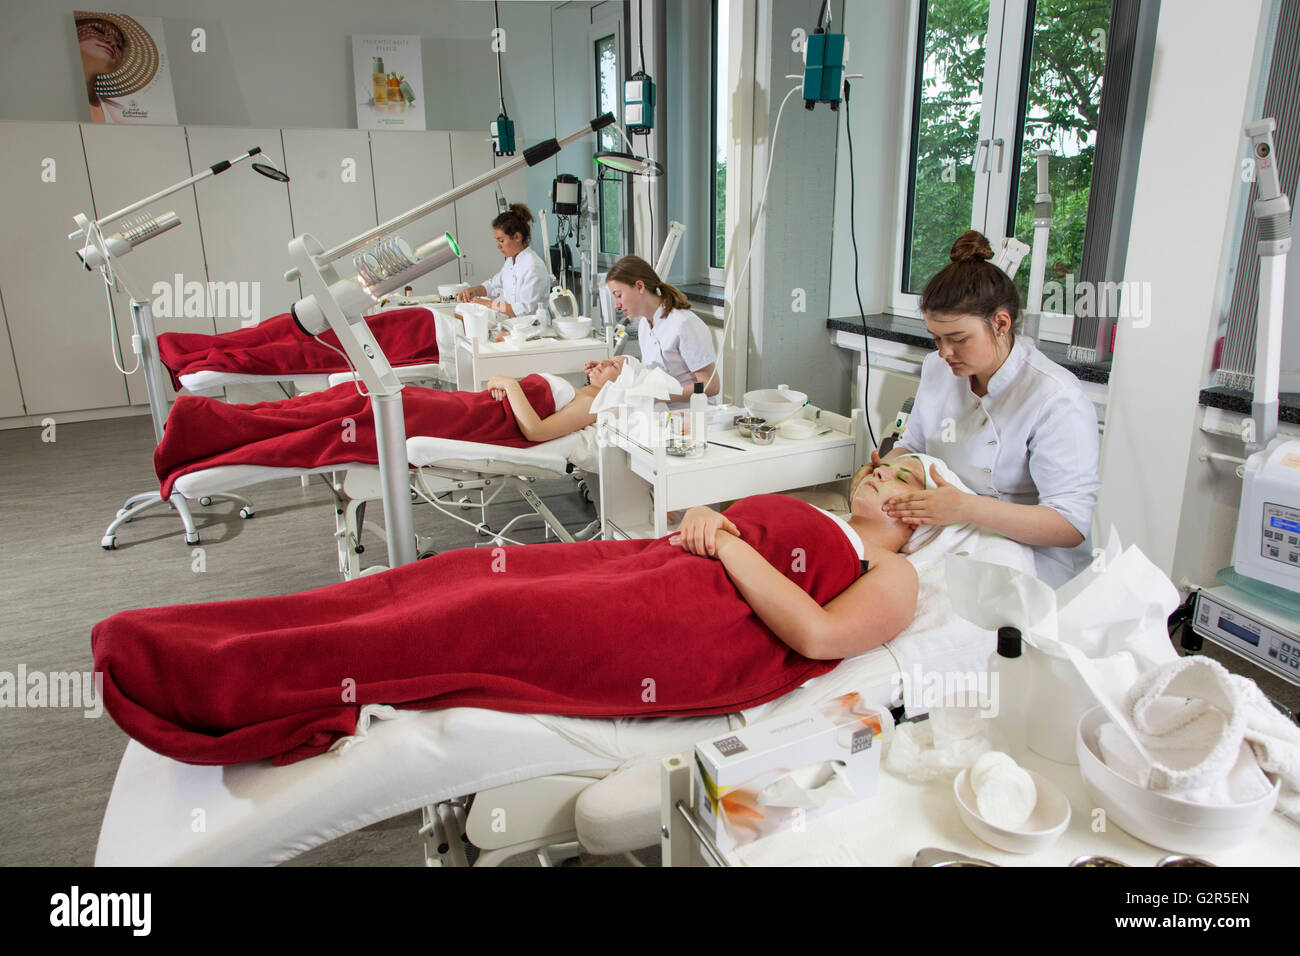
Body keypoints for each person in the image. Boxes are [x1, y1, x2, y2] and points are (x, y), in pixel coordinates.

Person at [92, 455, 929, 765]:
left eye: (905, 479)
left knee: (474, 621)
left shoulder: (892, 571)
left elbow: (816, 634)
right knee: (454, 574)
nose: (883, 474)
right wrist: (710, 532)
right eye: (886, 464)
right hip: (643, 569)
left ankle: (220, 677)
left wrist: (725, 539)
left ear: (922, 513)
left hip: (687, 625)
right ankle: (211, 631)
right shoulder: (821, 507)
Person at [874, 229, 1101, 586]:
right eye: (936, 339)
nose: (944, 352)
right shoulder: (938, 368)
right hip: (950, 535)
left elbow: (1069, 526)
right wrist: (880, 473)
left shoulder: (1055, 397)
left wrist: (965, 508)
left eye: (958, 339)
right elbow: (915, 447)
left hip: (1029, 558)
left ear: (1000, 323)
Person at [590, 255, 719, 405]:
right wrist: (606, 366)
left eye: (619, 296)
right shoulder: (645, 325)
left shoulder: (684, 324)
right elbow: (649, 373)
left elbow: (711, 385)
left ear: (640, 286)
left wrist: (657, 397)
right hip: (662, 412)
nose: (616, 305)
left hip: (692, 413)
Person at [454, 203, 550, 318]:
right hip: (515, 327)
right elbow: (494, 285)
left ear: (517, 237)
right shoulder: (510, 262)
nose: (498, 246)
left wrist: (489, 304)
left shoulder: (533, 266)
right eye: (497, 241)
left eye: (501, 241)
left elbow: (525, 309)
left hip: (535, 329)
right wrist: (475, 291)